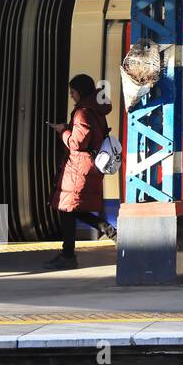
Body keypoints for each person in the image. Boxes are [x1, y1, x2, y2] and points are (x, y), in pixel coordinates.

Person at [43, 73, 116, 270]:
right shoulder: (95, 110)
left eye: (72, 92)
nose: (71, 96)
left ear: (80, 92)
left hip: (78, 168)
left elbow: (77, 142)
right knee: (72, 208)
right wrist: (69, 127)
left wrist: (63, 132)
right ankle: (107, 232)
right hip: (86, 167)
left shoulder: (82, 112)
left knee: (68, 208)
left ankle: (69, 254)